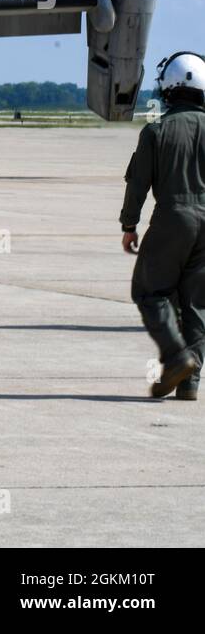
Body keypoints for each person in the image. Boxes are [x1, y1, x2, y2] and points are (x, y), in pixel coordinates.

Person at [122, 51, 205, 400]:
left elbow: (138, 183)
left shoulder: (156, 131)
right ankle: (190, 382)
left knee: (149, 291)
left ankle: (176, 357)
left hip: (174, 216)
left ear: (170, 88)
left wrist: (129, 224)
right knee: (196, 303)